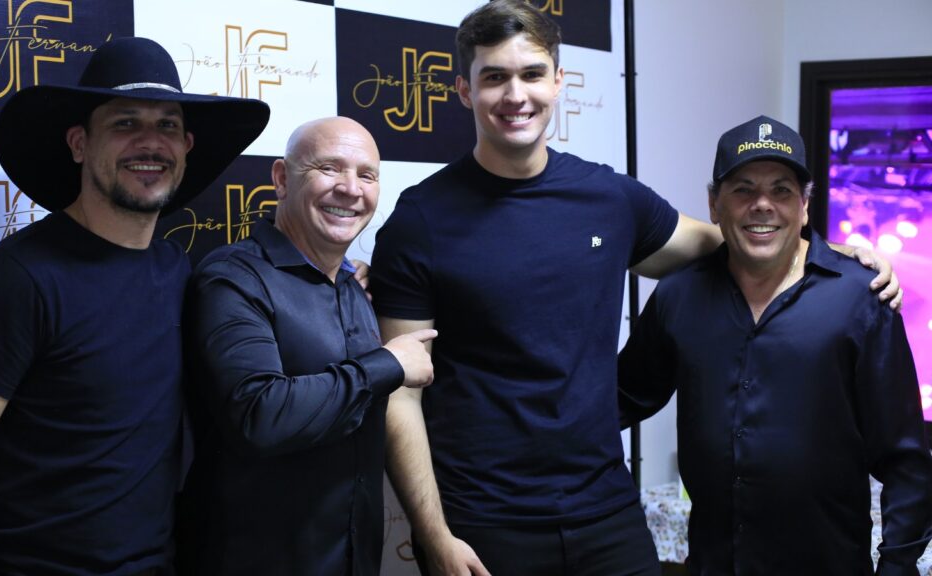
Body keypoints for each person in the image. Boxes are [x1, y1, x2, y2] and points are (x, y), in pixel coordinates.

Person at [368, 2, 900, 575]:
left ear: (558, 82)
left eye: (531, 74)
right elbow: (402, 394)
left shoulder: (611, 199)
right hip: (485, 521)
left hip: (606, 512)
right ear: (465, 91)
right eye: (494, 76)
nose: (515, 94)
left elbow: (723, 238)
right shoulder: (420, 220)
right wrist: (434, 535)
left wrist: (825, 251)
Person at [0, 37, 269, 575]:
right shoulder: (13, 279)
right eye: (126, 123)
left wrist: (342, 280)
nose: (150, 143)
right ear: (79, 143)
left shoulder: (177, 269)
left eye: (167, 126)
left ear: (187, 145)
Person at [618, 115, 932, 575]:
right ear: (714, 203)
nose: (762, 205)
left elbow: (906, 460)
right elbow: (618, 400)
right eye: (743, 190)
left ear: (804, 206)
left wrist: (898, 566)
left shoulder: (860, 299)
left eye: (781, 190)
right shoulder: (678, 296)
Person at [180, 116, 437, 575]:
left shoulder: (355, 287)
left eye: (367, 175)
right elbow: (260, 414)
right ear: (281, 178)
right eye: (330, 168)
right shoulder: (233, 278)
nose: (350, 188)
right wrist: (388, 365)